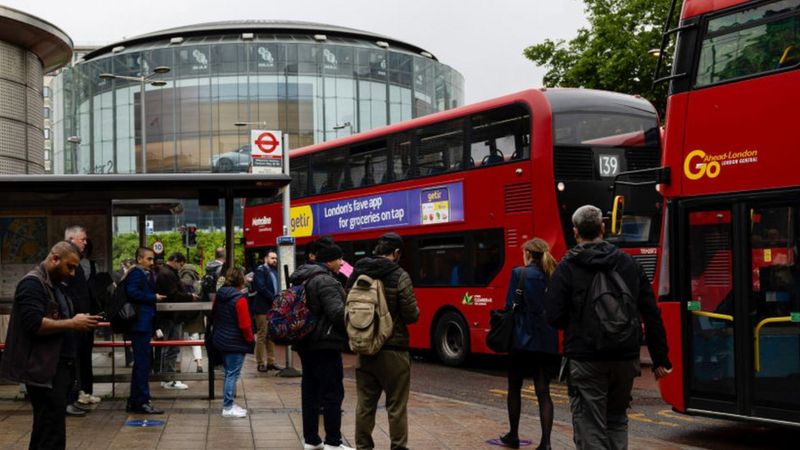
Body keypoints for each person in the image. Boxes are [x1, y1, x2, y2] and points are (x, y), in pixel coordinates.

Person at [545, 205, 671, 450]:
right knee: (616, 420)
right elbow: (651, 313)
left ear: (575, 232)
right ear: (603, 228)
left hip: (585, 357)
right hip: (625, 356)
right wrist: (660, 359)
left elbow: (554, 318)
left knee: (590, 424)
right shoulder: (629, 264)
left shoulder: (567, 267)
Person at [0, 242, 101, 449]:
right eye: (69, 267)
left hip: (56, 369)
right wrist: (73, 323)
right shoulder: (32, 284)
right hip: (44, 371)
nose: (72, 273)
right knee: (50, 432)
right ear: (55, 259)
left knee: (47, 430)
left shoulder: (54, 286)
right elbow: (34, 324)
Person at [347, 232, 420, 450]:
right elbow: (411, 315)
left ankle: (363, 447)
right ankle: (398, 447)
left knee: (365, 405)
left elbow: (347, 303)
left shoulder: (357, 270)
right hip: (394, 350)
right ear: (396, 253)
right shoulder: (399, 275)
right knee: (396, 406)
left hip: (365, 349)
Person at [290, 238, 353, 450]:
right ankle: (333, 442)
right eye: (339, 259)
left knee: (310, 393)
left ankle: (311, 440)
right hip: (324, 344)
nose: (342, 262)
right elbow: (337, 314)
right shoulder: (326, 281)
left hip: (305, 343)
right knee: (333, 393)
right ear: (329, 261)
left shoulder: (303, 277)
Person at [499, 238, 560, 450]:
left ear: (528, 254)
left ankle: (513, 435)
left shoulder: (520, 274)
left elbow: (510, 305)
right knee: (543, 392)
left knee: (514, 387)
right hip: (546, 340)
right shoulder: (553, 274)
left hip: (521, 339)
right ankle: (546, 443)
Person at [63, 225, 101, 414]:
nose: (86, 243)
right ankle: (68, 400)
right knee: (70, 360)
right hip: (72, 321)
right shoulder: (65, 263)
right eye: (82, 239)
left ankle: (78, 394)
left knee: (82, 358)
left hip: (82, 319)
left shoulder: (77, 263)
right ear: (70, 240)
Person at [125, 247, 167, 414]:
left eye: (152, 259)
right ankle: (142, 401)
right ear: (139, 259)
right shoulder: (136, 273)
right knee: (143, 364)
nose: (152, 262)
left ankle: (135, 401)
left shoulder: (142, 273)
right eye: (149, 259)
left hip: (143, 323)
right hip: (140, 324)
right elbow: (132, 293)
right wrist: (153, 297)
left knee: (142, 364)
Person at [212, 267, 255, 418]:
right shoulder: (239, 299)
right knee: (232, 374)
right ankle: (228, 406)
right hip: (235, 341)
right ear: (240, 280)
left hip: (221, 338)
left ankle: (228, 404)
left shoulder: (220, 296)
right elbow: (245, 325)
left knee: (228, 373)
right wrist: (250, 339)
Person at [155, 252, 197, 390]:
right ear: (174, 260)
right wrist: (190, 296)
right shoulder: (167, 274)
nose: (180, 267)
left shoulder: (166, 272)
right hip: (171, 316)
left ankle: (165, 377)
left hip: (169, 315)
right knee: (171, 347)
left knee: (168, 347)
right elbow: (174, 295)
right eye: (180, 263)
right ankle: (169, 378)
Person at [251, 250, 282, 372]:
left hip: (272, 308)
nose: (274, 260)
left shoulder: (274, 271)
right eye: (272, 258)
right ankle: (260, 363)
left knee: (271, 335)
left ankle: (271, 361)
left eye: (275, 258)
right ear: (265, 259)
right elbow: (261, 287)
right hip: (262, 308)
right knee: (262, 334)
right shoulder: (260, 270)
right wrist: (274, 298)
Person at [179, 262, 205, 373]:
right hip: (195, 314)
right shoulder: (198, 283)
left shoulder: (178, 282)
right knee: (195, 339)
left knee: (178, 340)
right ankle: (199, 363)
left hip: (180, 313)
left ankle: (177, 366)